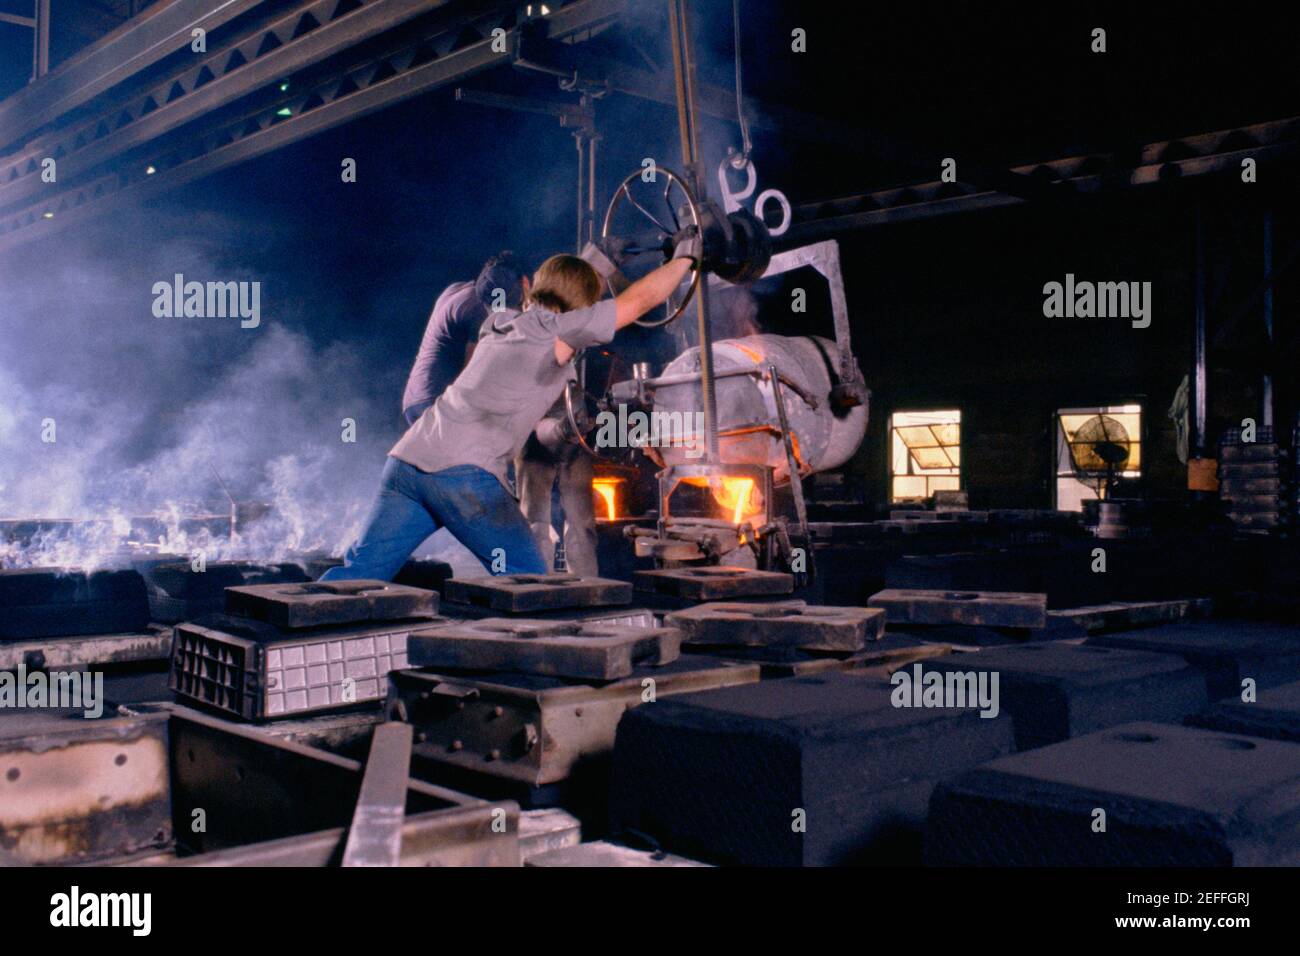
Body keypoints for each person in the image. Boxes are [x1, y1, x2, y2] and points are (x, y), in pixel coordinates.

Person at [321, 236, 700, 582]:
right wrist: (686, 256)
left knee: (358, 577)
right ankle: (534, 653)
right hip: (462, 478)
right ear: (582, 306)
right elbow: (637, 302)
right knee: (528, 581)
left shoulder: (499, 322)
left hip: (406, 465)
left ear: (532, 287)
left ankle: (284, 642)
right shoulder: (559, 332)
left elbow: (561, 294)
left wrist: (596, 261)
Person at [400, 253, 529, 425]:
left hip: (415, 399)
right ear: (524, 282)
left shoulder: (458, 290)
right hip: (438, 403)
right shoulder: (481, 309)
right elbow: (473, 373)